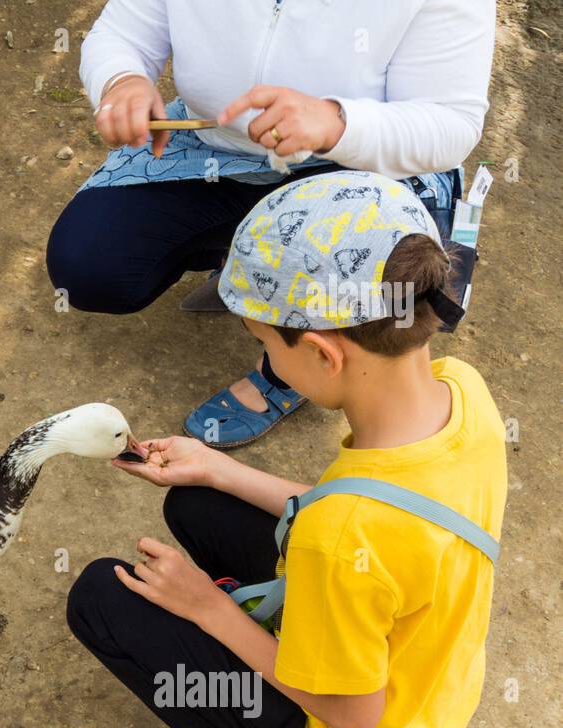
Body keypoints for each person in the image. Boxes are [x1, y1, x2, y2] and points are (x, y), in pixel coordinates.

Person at [65, 170, 507, 728]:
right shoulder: (459, 390)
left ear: (326, 355)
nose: (264, 357)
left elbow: (353, 713)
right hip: (426, 681)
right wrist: (218, 467)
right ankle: (264, 617)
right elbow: (373, 511)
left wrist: (206, 609)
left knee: (100, 597)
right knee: (198, 500)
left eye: (266, 346)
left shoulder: (344, 539)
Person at [46, 0, 495, 447]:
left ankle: (283, 373)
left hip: (357, 162)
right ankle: (247, 263)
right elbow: (123, 30)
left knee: (368, 291)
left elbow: (451, 121)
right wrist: (121, 79)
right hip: (212, 146)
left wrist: (339, 122)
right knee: (90, 267)